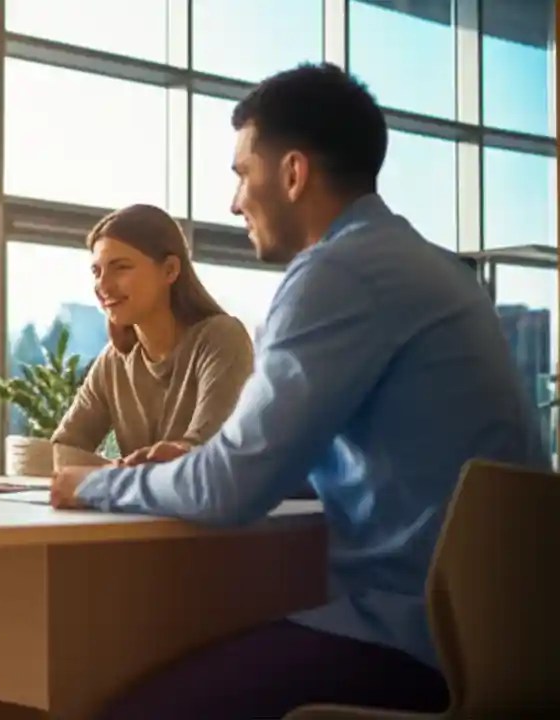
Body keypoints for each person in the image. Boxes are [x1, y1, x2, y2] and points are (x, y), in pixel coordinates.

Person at [51, 63, 546, 718]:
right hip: (512, 645)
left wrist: (92, 485)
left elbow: (230, 490)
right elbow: (393, 468)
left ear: (291, 173)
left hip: (417, 645)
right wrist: (207, 465)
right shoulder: (430, 268)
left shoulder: (337, 273)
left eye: (241, 174)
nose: (234, 203)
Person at [51, 204, 253, 470]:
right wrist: (118, 475)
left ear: (169, 270)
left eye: (120, 267)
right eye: (97, 272)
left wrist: (115, 477)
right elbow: (66, 449)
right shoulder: (113, 360)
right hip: (148, 511)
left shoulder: (221, 339)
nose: (103, 286)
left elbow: (205, 456)